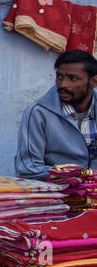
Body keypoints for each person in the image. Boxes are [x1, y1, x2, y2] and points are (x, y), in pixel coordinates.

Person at [14, 50, 97, 179]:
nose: (63, 84)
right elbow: (28, 168)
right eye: (59, 77)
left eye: (72, 78)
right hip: (58, 192)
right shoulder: (38, 113)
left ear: (94, 82)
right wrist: (77, 177)